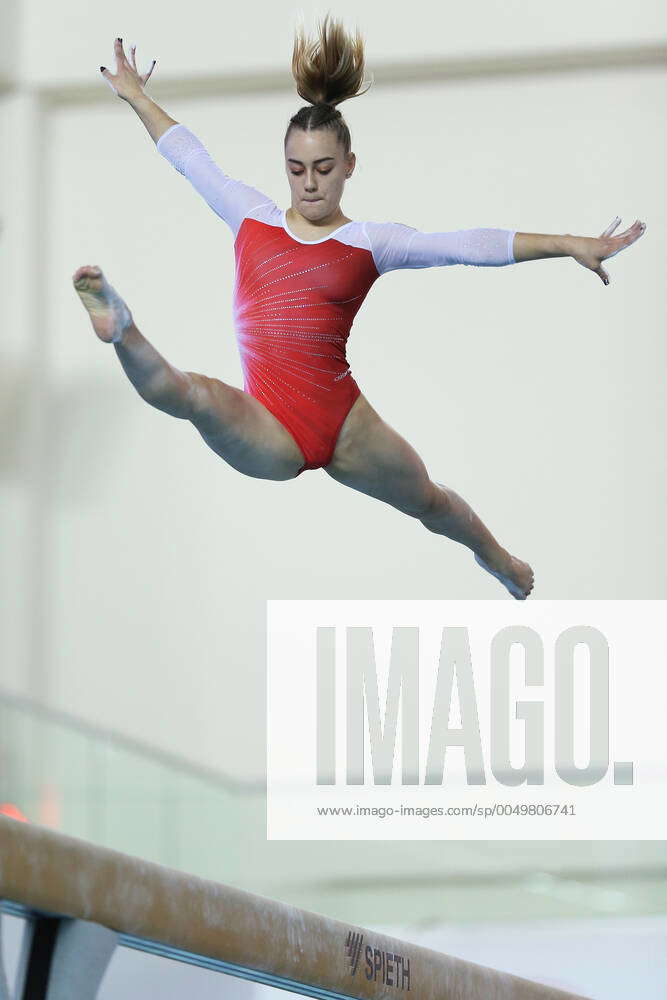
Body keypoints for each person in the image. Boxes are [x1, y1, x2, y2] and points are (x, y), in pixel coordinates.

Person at [74, 18, 645, 599]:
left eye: (324, 169)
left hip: (344, 418)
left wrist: (568, 244)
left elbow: (466, 246)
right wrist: (139, 97)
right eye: (296, 170)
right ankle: (122, 329)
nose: (310, 185)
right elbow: (189, 156)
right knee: (193, 396)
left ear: (349, 166)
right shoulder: (249, 215)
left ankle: (498, 560)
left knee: (431, 502)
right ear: (284, 167)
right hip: (270, 424)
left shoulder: (371, 242)